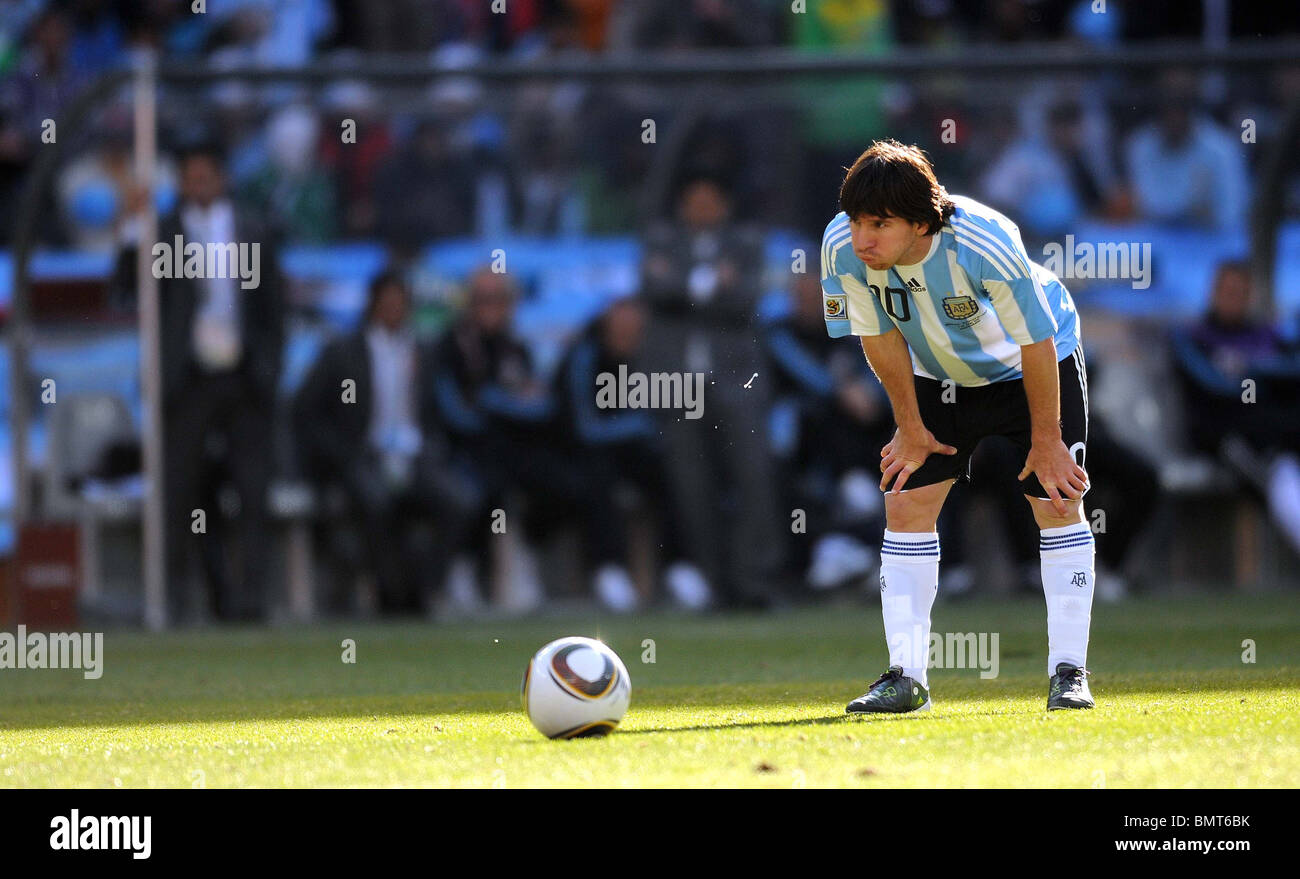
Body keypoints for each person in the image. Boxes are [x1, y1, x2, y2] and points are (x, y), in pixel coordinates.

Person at [820, 139, 1095, 713]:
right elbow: (879, 336)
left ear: (921, 223)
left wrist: (1046, 440)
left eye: (879, 223)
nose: (861, 238)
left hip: (1031, 366)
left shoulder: (984, 241)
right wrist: (909, 426)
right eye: (854, 220)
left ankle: (1070, 674)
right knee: (906, 502)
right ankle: (906, 678)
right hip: (938, 373)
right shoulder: (842, 248)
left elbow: (1036, 342)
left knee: (1056, 500)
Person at [116, 141, 285, 623]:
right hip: (187, 380)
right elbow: (128, 288)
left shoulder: (254, 230)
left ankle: (252, 598)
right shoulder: (163, 233)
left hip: (243, 376)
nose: (197, 187)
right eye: (189, 180)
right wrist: (133, 225)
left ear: (222, 178)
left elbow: (273, 307)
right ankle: (173, 598)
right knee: (178, 492)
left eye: (205, 178)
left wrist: (268, 367)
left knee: (254, 492)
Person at [429, 268, 637, 612]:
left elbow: (538, 403)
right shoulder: (451, 348)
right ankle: (463, 571)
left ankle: (550, 561)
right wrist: (493, 405)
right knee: (482, 485)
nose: (491, 308)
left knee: (580, 478)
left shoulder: (517, 348)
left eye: (499, 299)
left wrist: (509, 404)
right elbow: (454, 413)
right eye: (482, 300)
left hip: (516, 449)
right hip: (466, 450)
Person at [292, 272, 484, 616]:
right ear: (373, 304)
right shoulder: (342, 353)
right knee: (375, 503)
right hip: (363, 455)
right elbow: (306, 411)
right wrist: (339, 453)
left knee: (458, 502)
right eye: (388, 301)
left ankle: (427, 588)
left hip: (417, 456)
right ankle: (390, 594)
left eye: (401, 302)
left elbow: (449, 404)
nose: (395, 309)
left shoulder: (425, 352)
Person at [639, 173, 786, 606]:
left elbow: (744, 298)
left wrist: (684, 284)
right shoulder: (660, 240)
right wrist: (709, 283)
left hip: (738, 384)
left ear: (725, 205)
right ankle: (716, 586)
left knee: (754, 479)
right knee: (692, 489)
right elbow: (654, 290)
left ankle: (755, 583)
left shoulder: (747, 243)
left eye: (710, 200)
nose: (701, 209)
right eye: (693, 200)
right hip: (678, 389)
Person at [553, 294, 713, 610]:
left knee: (671, 472)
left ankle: (681, 567)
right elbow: (583, 427)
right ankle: (609, 570)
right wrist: (641, 424)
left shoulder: (647, 357)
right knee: (599, 478)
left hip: (630, 451)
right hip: (576, 453)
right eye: (622, 328)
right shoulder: (583, 357)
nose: (630, 337)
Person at [1171, 261, 1300, 556]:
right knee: (1277, 473)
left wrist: (1251, 369)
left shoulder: (1266, 335)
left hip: (1277, 431)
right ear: (1213, 292)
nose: (1234, 298)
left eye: (1241, 292)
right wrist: (1264, 374)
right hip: (1225, 434)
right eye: (1228, 291)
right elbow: (1217, 386)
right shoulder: (1193, 336)